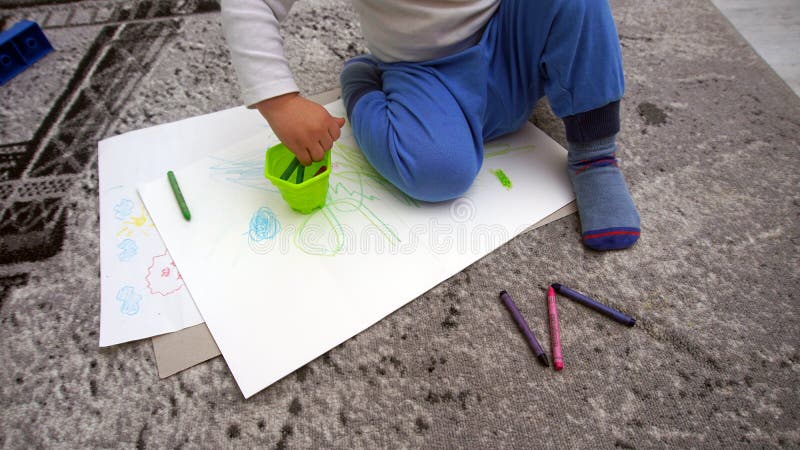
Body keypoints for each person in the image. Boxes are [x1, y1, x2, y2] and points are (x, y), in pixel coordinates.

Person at [221, 0, 641, 250]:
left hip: (510, 35)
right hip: (424, 72)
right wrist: (279, 103)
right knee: (437, 172)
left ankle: (594, 153)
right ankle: (364, 84)